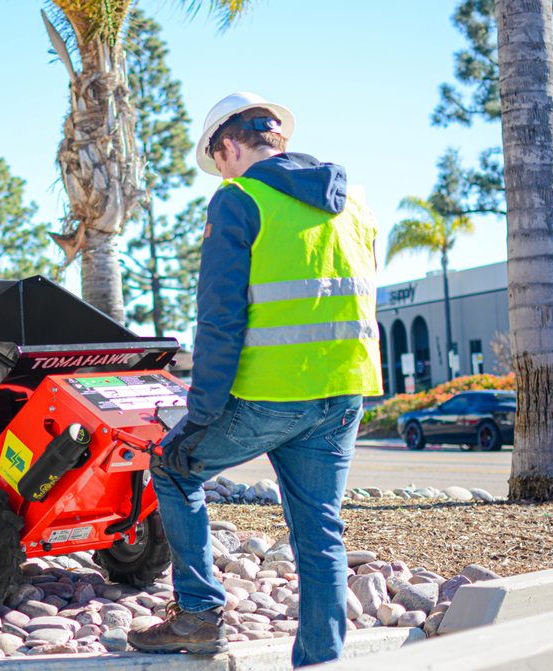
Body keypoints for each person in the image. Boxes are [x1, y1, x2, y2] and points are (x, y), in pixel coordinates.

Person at [127, 92, 383, 667]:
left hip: (269, 393)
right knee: (320, 530)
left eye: (217, 160)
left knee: (172, 466)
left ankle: (199, 615)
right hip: (344, 391)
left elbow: (220, 320)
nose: (220, 172)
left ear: (230, 147)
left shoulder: (239, 197)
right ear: (279, 139)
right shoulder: (355, 202)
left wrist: (200, 413)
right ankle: (320, 660)